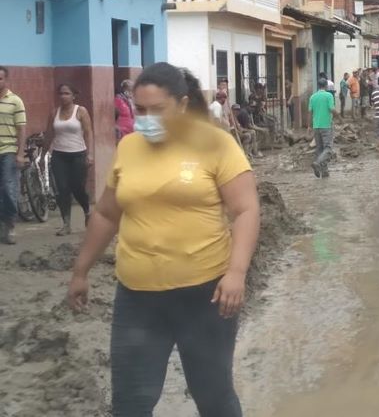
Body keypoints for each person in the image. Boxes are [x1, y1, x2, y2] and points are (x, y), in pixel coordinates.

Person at [67, 62, 259, 417]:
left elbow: (246, 209)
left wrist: (237, 272)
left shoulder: (216, 144)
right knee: (130, 404)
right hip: (137, 298)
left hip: (205, 296)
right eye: (140, 110)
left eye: (157, 110)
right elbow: (107, 214)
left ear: (182, 105)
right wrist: (81, 271)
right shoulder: (130, 148)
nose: (146, 119)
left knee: (214, 398)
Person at [44, 84, 94, 236]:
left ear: (73, 96)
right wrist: (43, 154)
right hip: (59, 155)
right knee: (62, 189)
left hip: (78, 154)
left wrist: (90, 154)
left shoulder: (81, 111)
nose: (63, 96)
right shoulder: (54, 113)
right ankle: (66, 224)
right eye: (61, 93)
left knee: (77, 188)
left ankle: (87, 211)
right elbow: (49, 134)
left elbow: (88, 132)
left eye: (66, 93)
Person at [0, 66, 27, 245]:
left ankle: (9, 224)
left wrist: (20, 153)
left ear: (6, 80)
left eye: (0, 78)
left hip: (8, 150)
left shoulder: (15, 101)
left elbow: (21, 128)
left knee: (7, 188)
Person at [308, 78, 335, 178]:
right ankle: (318, 163)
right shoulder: (329, 95)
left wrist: (309, 126)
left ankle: (324, 172)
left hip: (316, 126)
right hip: (326, 125)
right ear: (326, 86)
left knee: (320, 148)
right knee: (328, 148)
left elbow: (310, 112)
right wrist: (339, 117)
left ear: (318, 86)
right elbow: (331, 109)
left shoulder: (313, 97)